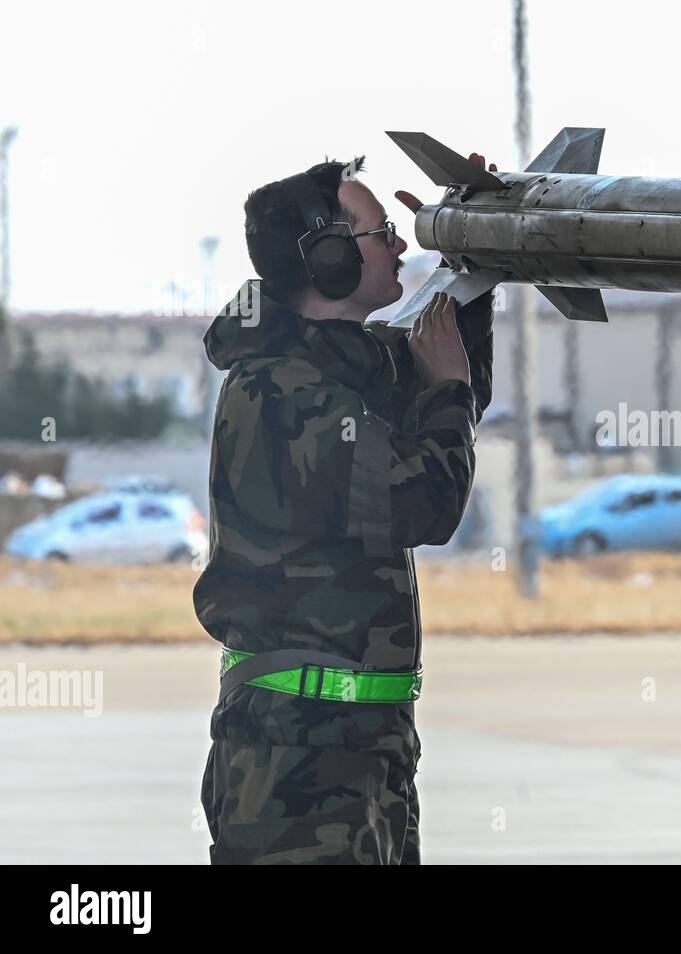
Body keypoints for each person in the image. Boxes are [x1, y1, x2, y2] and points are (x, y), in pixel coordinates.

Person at [195, 153, 494, 863]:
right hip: (297, 763)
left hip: (360, 748)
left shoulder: (341, 364)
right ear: (325, 258)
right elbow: (425, 502)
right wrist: (448, 391)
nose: (399, 245)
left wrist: (473, 251)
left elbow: (445, 375)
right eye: (380, 231)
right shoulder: (280, 395)